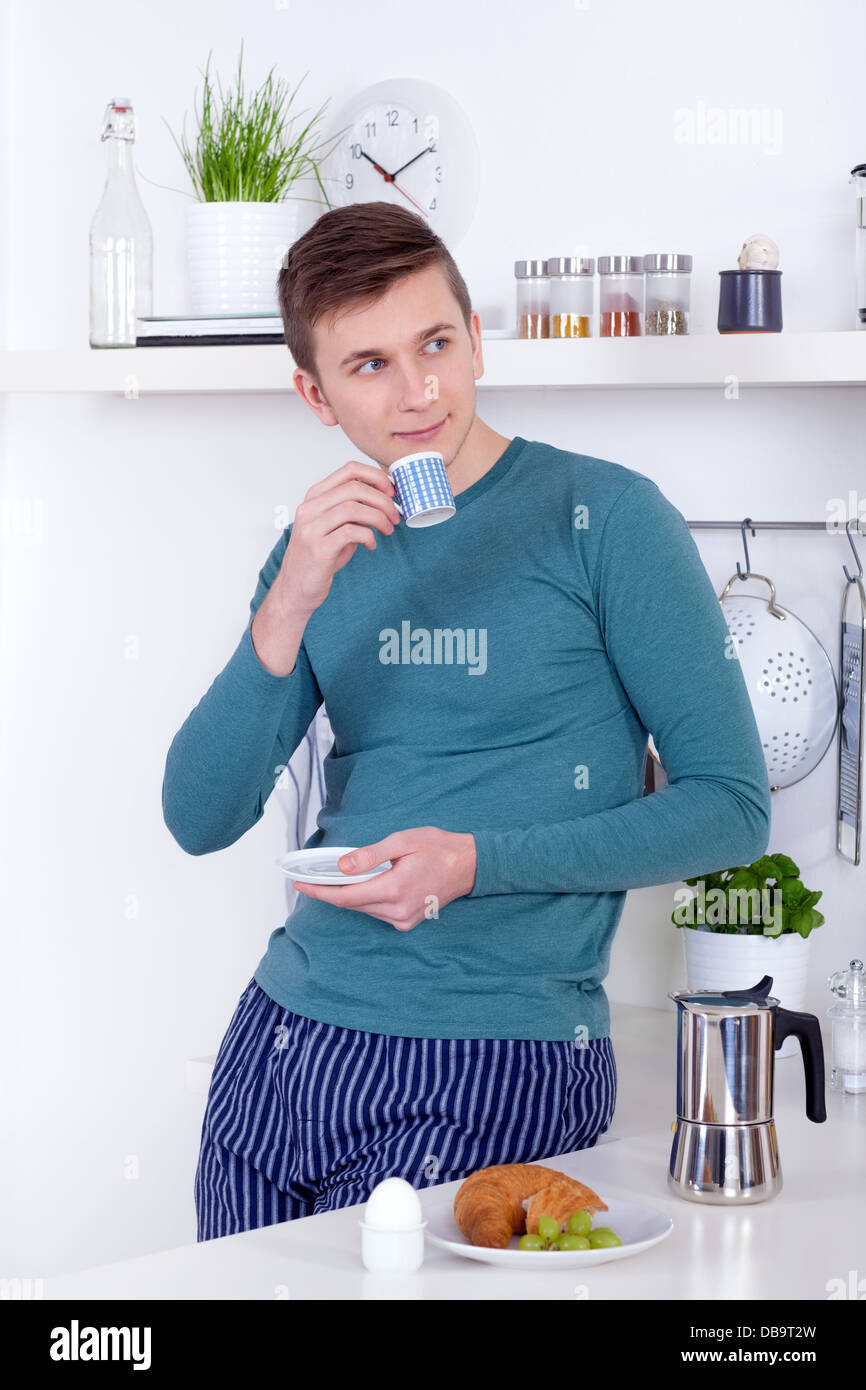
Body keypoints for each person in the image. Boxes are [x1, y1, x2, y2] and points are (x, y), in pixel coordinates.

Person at [161, 201, 771, 1242]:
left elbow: (728, 810)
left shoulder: (609, 519)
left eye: (435, 343)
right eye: (369, 365)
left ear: (475, 337)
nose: (418, 393)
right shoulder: (318, 552)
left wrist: (469, 863)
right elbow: (197, 816)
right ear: (313, 394)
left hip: (490, 1062)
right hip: (276, 1047)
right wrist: (286, 603)